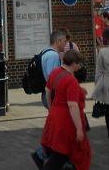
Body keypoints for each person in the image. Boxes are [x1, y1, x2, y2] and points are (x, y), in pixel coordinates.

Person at [38, 50, 92, 170]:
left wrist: (51, 108)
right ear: (73, 64)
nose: (80, 66)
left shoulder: (55, 72)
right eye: (79, 64)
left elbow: (47, 91)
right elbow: (72, 105)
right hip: (65, 119)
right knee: (63, 151)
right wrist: (79, 129)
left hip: (54, 115)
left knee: (56, 147)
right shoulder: (71, 80)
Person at [32, 30, 68, 166]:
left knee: (56, 127)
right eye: (64, 41)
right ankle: (44, 154)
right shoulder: (53, 56)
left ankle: (46, 153)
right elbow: (53, 79)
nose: (65, 44)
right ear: (58, 41)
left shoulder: (45, 52)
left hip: (49, 95)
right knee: (58, 128)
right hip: (53, 96)